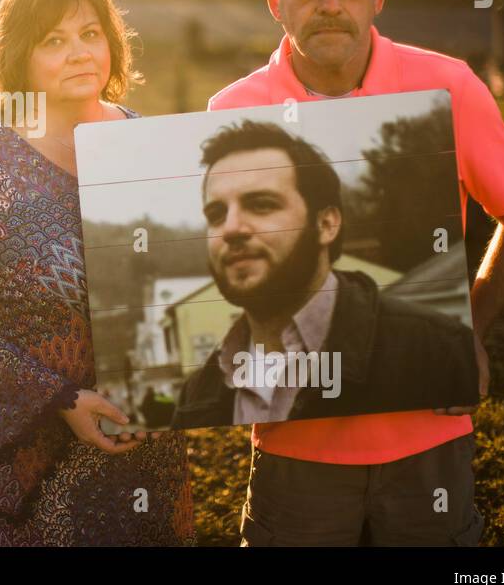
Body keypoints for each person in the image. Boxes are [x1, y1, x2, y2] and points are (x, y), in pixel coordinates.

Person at [209, 0, 504, 546]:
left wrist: (469, 330)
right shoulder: (232, 111)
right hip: (295, 445)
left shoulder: (446, 87)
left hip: (427, 436)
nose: (329, 3)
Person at [0, 0, 194, 545]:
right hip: (29, 450)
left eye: (91, 34)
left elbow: (185, 275)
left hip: (145, 438)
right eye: (54, 41)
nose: (80, 53)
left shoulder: (146, 145)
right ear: (19, 57)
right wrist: (58, 397)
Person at [170, 120, 478, 428]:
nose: (232, 228)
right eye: (216, 214)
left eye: (261, 205)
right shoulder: (197, 394)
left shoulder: (434, 349)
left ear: (327, 224)